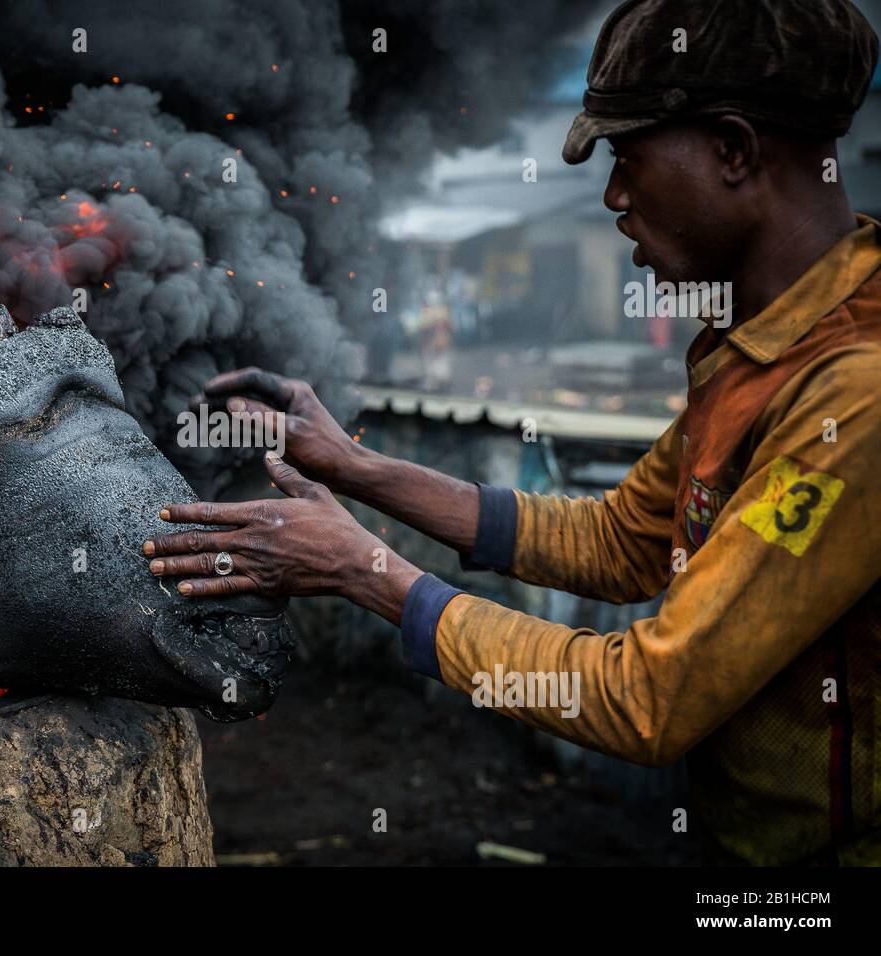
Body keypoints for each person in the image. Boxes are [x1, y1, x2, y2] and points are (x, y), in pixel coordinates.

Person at [142, 0, 881, 865]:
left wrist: (363, 569)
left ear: (733, 150)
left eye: (627, 156)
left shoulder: (856, 395)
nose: (612, 195)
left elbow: (649, 698)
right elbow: (619, 543)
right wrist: (353, 465)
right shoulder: (755, 347)